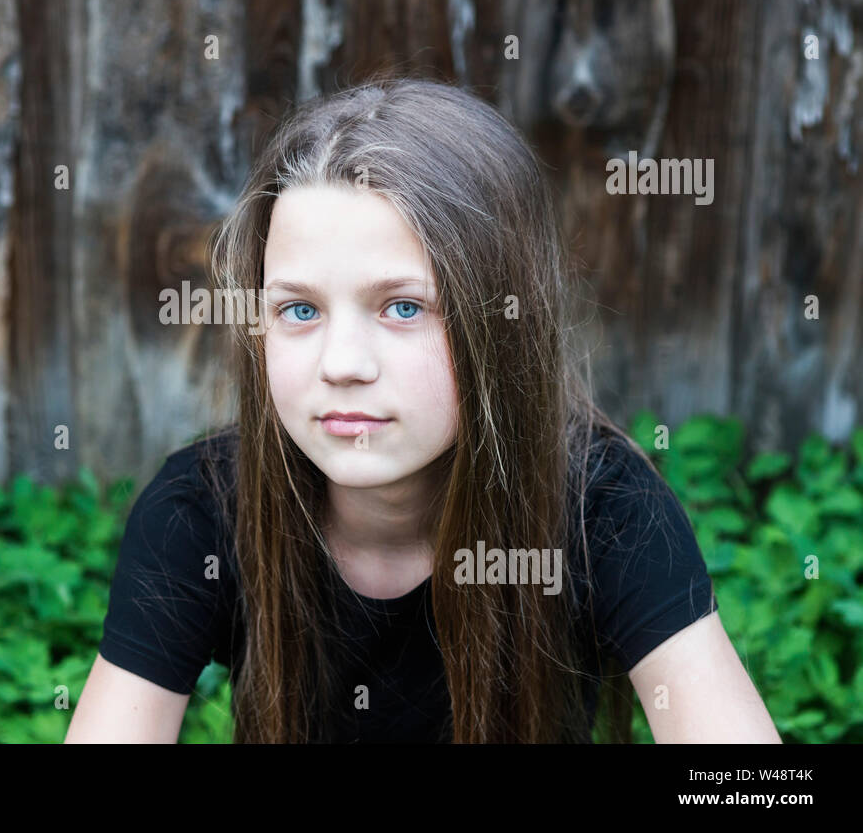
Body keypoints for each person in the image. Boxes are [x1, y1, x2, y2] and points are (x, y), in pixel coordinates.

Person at [65, 77, 781, 743]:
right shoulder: (202, 513)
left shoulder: (602, 511)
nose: (343, 363)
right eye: (299, 308)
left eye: (403, 306)